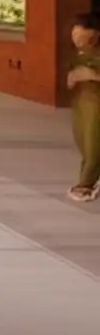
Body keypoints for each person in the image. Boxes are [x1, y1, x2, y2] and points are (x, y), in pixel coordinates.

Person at [65, 12, 100, 202]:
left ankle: (86, 184)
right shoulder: (78, 53)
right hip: (80, 102)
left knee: (94, 144)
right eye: (75, 36)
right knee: (83, 141)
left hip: (96, 103)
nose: (77, 40)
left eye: (81, 37)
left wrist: (90, 74)